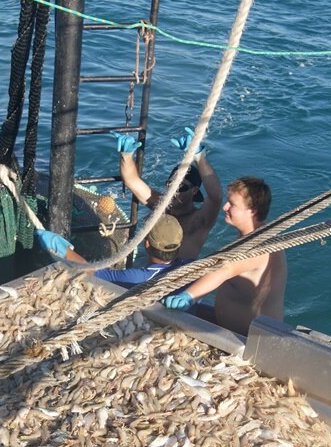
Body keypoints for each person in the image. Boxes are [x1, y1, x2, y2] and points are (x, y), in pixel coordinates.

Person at [162, 176, 287, 335]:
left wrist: (189, 296)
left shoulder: (259, 245)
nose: (225, 207)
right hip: (227, 328)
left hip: (248, 341)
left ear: (252, 211)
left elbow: (224, 269)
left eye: (232, 204)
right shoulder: (253, 233)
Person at [113, 127, 222, 259]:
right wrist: (126, 155)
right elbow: (132, 181)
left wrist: (200, 157)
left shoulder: (199, 220)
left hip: (179, 275)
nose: (173, 191)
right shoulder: (161, 204)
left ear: (194, 190)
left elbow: (215, 197)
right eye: (170, 185)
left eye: (181, 187)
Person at [35, 214, 189, 289]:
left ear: (146, 244)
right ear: (180, 244)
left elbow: (90, 271)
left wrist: (60, 248)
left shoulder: (138, 277)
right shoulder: (190, 267)